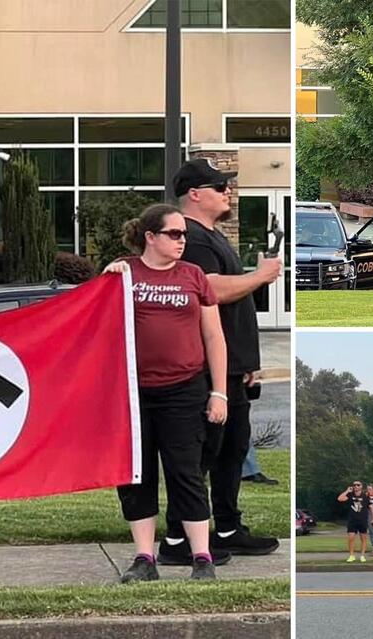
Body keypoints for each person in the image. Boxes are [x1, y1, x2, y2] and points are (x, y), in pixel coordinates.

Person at [157, 159, 282, 565]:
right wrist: (260, 276)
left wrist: (247, 361)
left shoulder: (212, 236)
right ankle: (179, 535)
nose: (227, 192)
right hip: (207, 371)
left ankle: (228, 529)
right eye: (219, 187)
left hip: (232, 367)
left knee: (231, 453)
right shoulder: (190, 237)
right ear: (195, 193)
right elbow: (208, 289)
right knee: (201, 456)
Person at [105, 203, 228, 582]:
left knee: (186, 474)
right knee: (135, 476)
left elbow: (213, 336)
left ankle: (201, 557)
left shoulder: (193, 276)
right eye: (174, 234)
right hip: (132, 393)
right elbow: (96, 325)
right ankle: (145, 558)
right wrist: (107, 278)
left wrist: (219, 392)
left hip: (185, 390)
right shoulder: (124, 273)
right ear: (150, 237)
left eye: (184, 235)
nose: (181, 241)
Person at [338, 480, 371, 563]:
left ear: (361, 486)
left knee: (363, 538)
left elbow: (371, 507)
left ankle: (362, 555)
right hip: (352, 520)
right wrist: (347, 491)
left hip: (362, 520)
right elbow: (340, 499)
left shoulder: (365, 496)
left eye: (358, 485)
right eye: (354, 485)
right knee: (351, 538)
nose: (356, 486)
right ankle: (351, 555)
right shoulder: (350, 495)